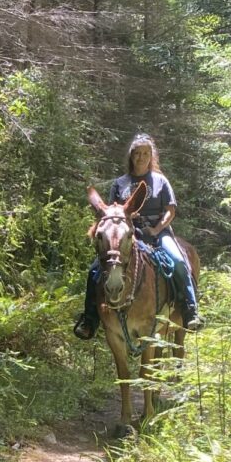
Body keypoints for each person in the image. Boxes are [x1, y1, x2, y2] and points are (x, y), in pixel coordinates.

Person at [73, 133, 201, 339]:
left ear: (151, 156)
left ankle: (189, 308)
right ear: (131, 156)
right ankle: (90, 318)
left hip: (158, 232)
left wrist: (157, 229)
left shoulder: (160, 181)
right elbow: (112, 212)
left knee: (177, 260)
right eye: (137, 153)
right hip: (129, 233)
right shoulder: (120, 183)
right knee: (95, 269)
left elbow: (170, 210)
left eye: (145, 153)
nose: (141, 157)